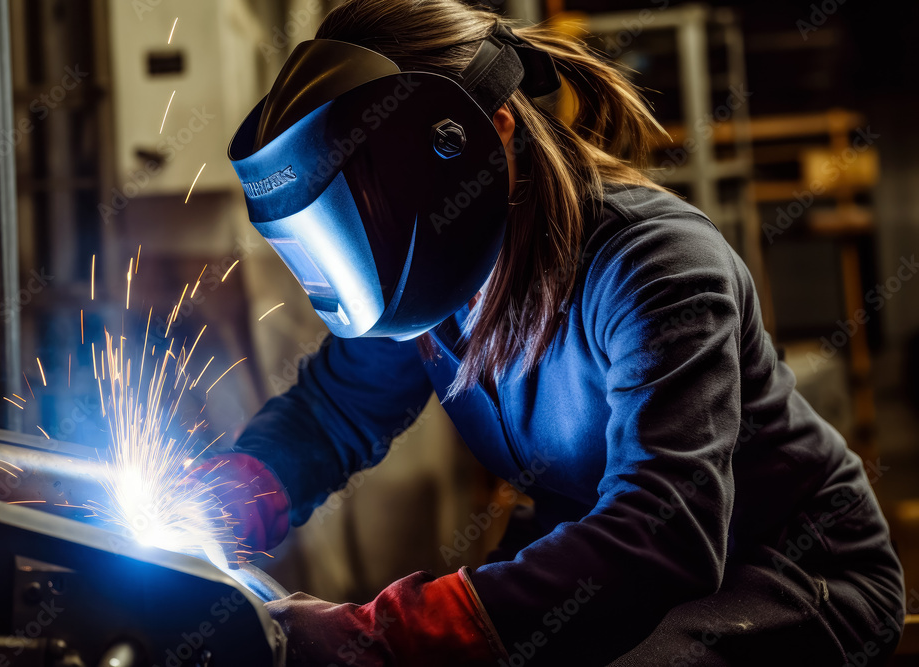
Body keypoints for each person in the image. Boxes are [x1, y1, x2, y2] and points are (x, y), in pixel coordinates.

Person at [190, 0, 907, 664]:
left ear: (485, 130)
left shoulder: (655, 265)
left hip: (784, 573)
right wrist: (238, 494)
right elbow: (333, 412)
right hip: (604, 560)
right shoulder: (427, 278)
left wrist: (389, 634)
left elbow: (664, 528)